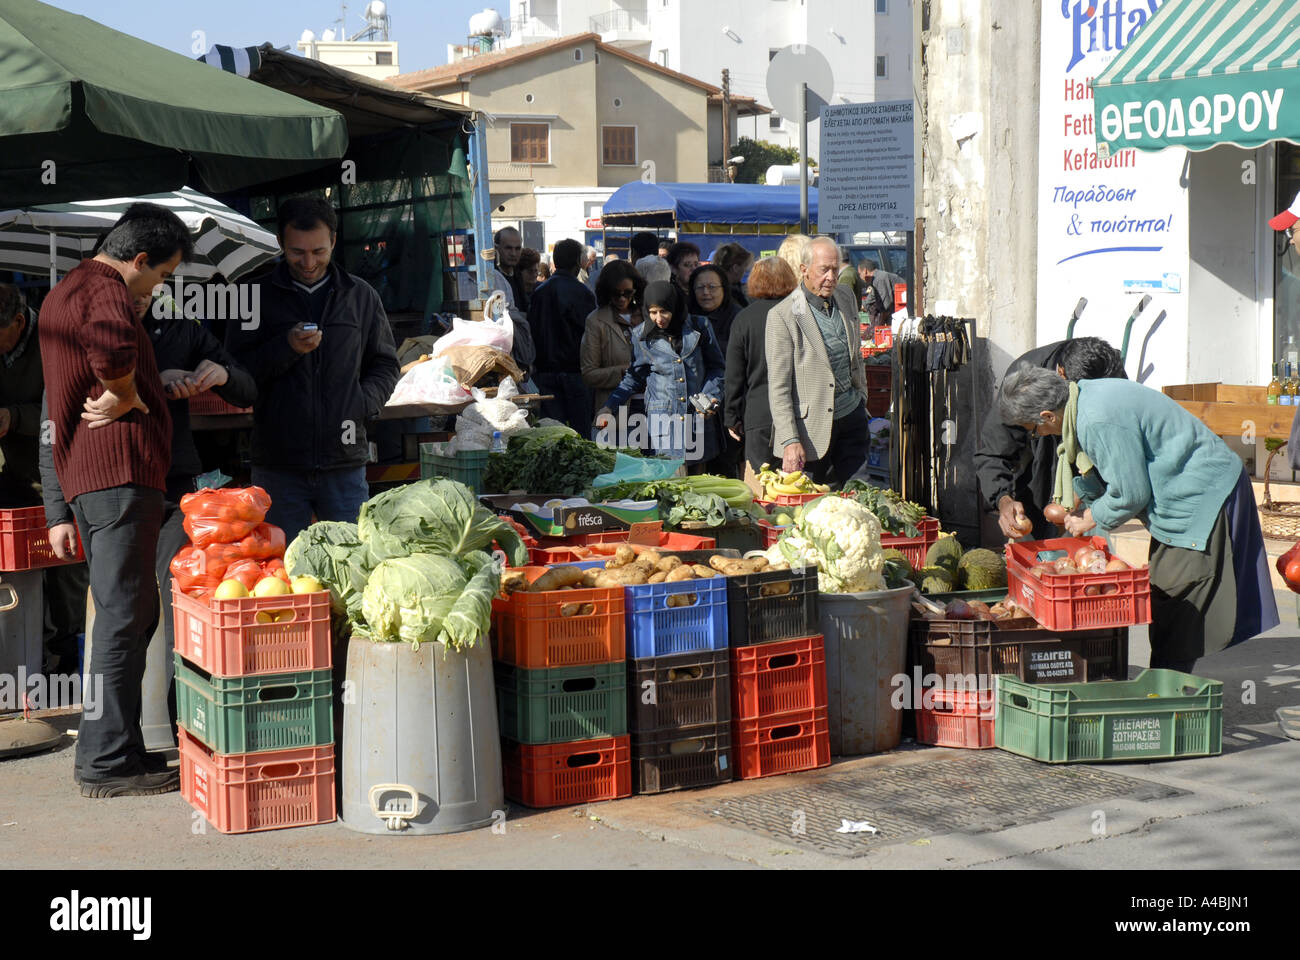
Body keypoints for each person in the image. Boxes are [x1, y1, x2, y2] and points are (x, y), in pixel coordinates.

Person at [41, 287, 258, 743]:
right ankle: (118, 739)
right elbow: (53, 428)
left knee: (180, 606)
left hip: (173, 490)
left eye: (148, 291)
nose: (137, 300)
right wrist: (56, 512)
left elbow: (246, 386)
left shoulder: (179, 329)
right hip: (108, 491)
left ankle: (184, 728)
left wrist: (219, 374)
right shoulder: (85, 336)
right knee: (119, 614)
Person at [40, 202, 192, 797]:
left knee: (129, 616)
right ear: (139, 259)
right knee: (123, 621)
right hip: (117, 477)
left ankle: (122, 749)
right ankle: (105, 765)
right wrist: (127, 395)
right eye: (162, 275)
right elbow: (111, 351)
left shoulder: (65, 292)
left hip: (101, 479)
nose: (159, 288)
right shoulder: (102, 287)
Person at [996, 365, 1279, 672]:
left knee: (1177, 595)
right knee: (1166, 594)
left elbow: (1131, 494)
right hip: (1183, 492)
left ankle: (1167, 693)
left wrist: (1089, 518)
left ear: (1049, 416)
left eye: (1033, 429)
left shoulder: (1096, 419)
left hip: (1203, 493)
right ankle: (1166, 684)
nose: (1038, 436)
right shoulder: (1085, 396)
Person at [227, 197, 399, 545]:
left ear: (334, 241)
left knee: (353, 563)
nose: (308, 262)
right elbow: (236, 374)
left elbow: (384, 363)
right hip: (278, 465)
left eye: (318, 251)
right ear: (280, 243)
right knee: (281, 572)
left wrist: (362, 404)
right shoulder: (252, 297)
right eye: (297, 252)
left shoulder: (361, 296)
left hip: (345, 462)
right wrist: (285, 347)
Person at [0, 285, 88, 681]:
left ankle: (70, 653)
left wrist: (14, 418)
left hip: (59, 469)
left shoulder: (55, 343)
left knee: (65, 563)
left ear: (18, 323)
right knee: (21, 566)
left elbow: (68, 411)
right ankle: (28, 649)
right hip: (15, 472)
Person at [976, 336, 1126, 540]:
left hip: (1095, 486)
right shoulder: (1023, 385)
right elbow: (993, 451)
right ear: (1062, 375)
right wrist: (1003, 500)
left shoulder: (1109, 374)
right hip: (1036, 480)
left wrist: (1085, 493)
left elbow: (1119, 442)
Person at [766, 236, 870, 485]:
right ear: (804, 271)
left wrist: (861, 397)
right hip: (811, 433)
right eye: (824, 270)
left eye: (835, 269)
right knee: (813, 509)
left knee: (861, 497)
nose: (831, 277)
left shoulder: (845, 297)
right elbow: (779, 388)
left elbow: (856, 355)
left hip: (852, 418)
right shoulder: (783, 315)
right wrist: (790, 440)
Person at [598, 281, 725, 470]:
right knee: (669, 481)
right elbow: (634, 377)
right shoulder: (641, 336)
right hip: (663, 421)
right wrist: (609, 407)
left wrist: (709, 395)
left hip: (697, 419)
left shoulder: (700, 327)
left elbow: (717, 368)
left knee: (699, 483)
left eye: (664, 311)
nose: (658, 318)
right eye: (652, 312)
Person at [724, 256, 799, 476]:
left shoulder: (744, 318)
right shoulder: (801, 314)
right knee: (797, 484)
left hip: (759, 412)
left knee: (763, 484)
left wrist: (732, 416)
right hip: (798, 412)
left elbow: (734, 374)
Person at [529, 238, 598, 431]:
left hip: (545, 374)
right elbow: (589, 335)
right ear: (578, 263)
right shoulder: (582, 292)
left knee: (551, 433)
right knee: (580, 433)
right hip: (575, 373)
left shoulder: (539, 292)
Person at [581, 259, 645, 416]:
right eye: (616, 294)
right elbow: (589, 374)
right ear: (606, 292)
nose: (622, 299)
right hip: (615, 410)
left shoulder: (650, 315)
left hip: (653, 407)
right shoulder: (596, 320)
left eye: (628, 293)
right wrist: (625, 372)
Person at [688, 263, 740, 359]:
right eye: (700, 287)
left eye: (712, 287)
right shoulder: (686, 316)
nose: (706, 292)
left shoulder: (739, 317)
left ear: (724, 289)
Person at [859, 259, 906, 325]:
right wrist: (862, 305)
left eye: (859, 274)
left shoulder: (880, 279)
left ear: (865, 271)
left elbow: (886, 306)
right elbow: (871, 297)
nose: (859, 277)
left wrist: (880, 324)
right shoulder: (875, 280)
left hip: (902, 310)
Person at [711, 242, 753, 309]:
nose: (745, 271)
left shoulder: (714, 287)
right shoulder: (729, 295)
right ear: (735, 268)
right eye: (745, 266)